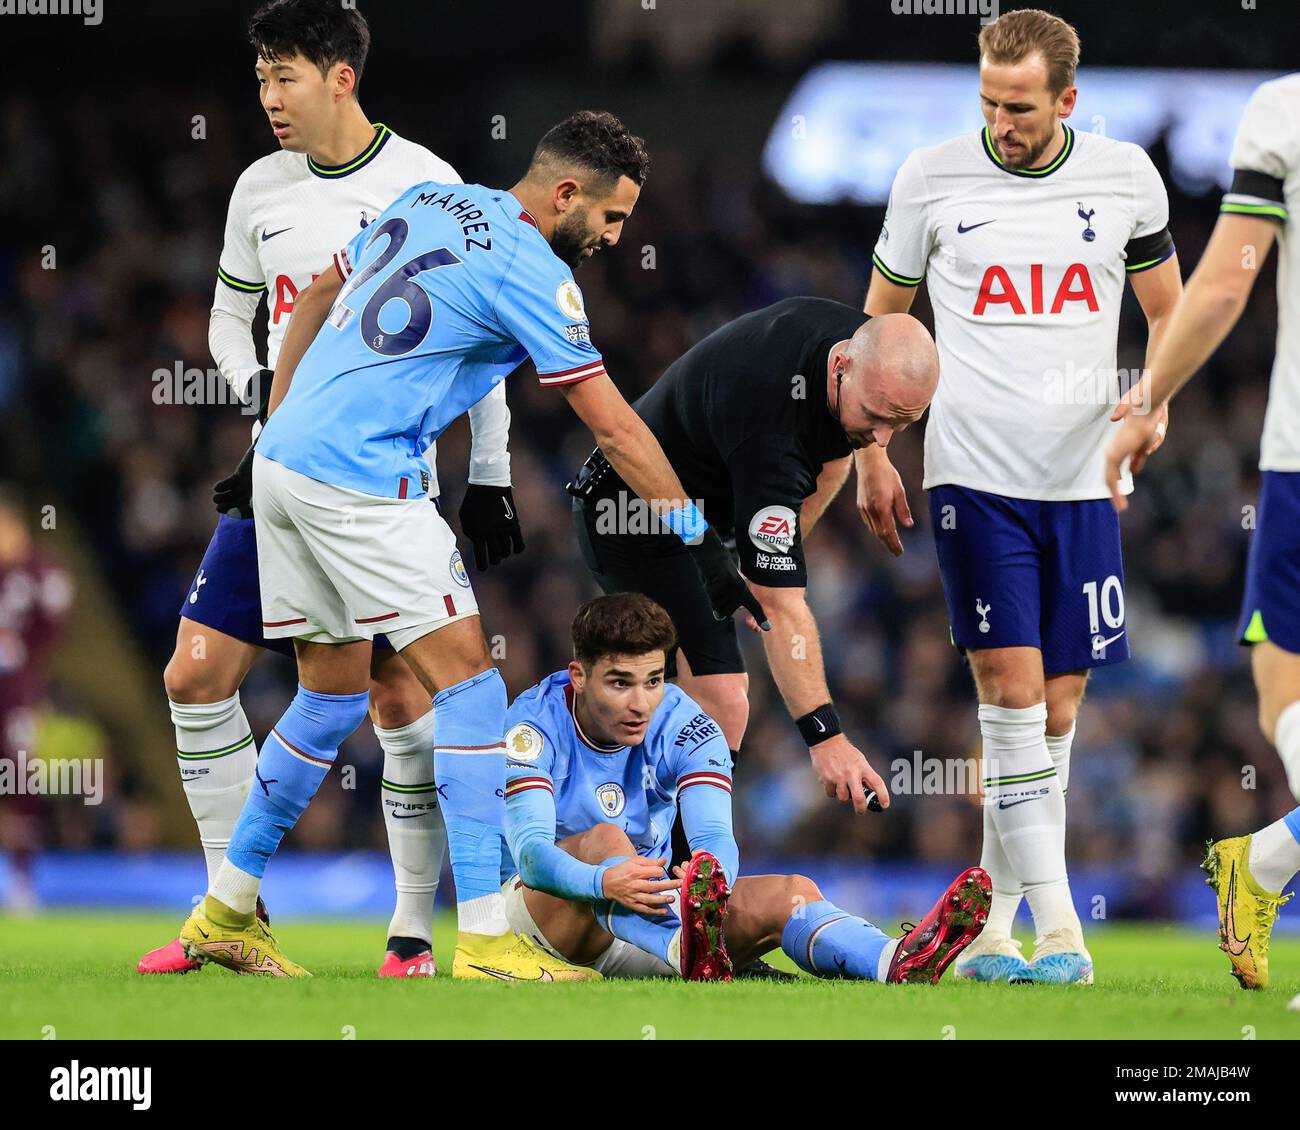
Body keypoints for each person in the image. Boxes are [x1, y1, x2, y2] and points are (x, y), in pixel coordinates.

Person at [175, 110, 761, 978]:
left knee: (333, 698)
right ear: (566, 192)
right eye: (609, 216)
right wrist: (699, 540)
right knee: (475, 697)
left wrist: (272, 426)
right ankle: (488, 938)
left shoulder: (431, 198)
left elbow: (315, 300)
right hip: (363, 479)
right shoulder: (531, 268)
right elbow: (616, 430)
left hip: (289, 467)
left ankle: (224, 910)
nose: (611, 237)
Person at [140, 0, 518, 980]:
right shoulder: (259, 187)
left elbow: (483, 333)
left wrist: (487, 471)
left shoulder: (425, 181)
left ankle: (410, 933)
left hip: (382, 477)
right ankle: (235, 907)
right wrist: (258, 394)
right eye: (261, 78)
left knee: (395, 694)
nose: (268, 98)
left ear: (340, 76)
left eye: (286, 77)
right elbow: (230, 321)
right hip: (279, 471)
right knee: (195, 675)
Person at [862, 8, 1183, 983]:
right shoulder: (928, 177)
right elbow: (879, 323)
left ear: (1066, 101)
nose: (1002, 123)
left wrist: (1147, 411)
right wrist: (875, 447)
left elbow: (1170, 314)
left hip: (1082, 478)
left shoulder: (1125, 177)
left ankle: (991, 930)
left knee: (1053, 709)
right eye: (989, 103)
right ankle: (1062, 935)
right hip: (972, 473)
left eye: (1022, 107)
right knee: (1005, 693)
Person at [570, 298, 938, 822]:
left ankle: (669, 867)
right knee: (721, 699)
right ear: (841, 367)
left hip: (701, 519)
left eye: (901, 424)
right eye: (876, 420)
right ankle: (651, 866)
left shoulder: (855, 350)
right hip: (630, 515)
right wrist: (825, 738)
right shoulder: (772, 429)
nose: (882, 438)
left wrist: (869, 465)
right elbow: (780, 607)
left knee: (707, 702)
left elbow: (832, 458)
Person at [501, 592, 991, 983]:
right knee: (607, 841)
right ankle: (685, 948)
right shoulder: (535, 721)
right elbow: (530, 856)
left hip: (648, 919)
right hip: (549, 919)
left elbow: (714, 836)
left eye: (652, 681)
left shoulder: (687, 725)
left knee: (792, 893)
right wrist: (601, 882)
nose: (640, 703)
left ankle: (895, 961)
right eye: (619, 683)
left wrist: (708, 876)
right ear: (579, 677)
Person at [1104, 74, 1300, 996]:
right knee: (1281, 702)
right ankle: (1263, 864)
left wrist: (1147, 399)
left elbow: (1224, 284)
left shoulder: (1283, 109)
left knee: (1284, 703)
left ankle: (1261, 865)